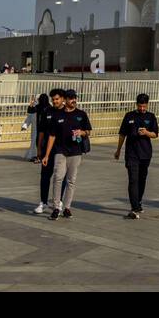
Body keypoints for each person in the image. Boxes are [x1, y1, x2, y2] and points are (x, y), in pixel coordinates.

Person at [45, 90, 92, 220]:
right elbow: (52, 136)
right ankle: (56, 207)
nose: (73, 100)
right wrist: (46, 155)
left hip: (76, 152)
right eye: (71, 98)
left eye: (74, 98)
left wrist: (82, 132)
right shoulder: (58, 115)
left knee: (71, 180)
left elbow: (88, 131)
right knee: (58, 177)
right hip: (61, 151)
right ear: (65, 100)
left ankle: (67, 207)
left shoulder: (81, 114)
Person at [115, 93, 159, 219]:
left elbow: (155, 134)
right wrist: (118, 150)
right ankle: (134, 208)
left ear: (147, 105)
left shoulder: (151, 117)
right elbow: (122, 134)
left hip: (145, 154)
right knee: (133, 179)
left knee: (142, 179)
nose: (142, 109)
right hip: (131, 154)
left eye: (144, 106)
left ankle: (138, 202)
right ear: (136, 104)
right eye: (140, 106)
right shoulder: (129, 116)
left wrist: (146, 132)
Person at [34, 89, 64, 214]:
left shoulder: (66, 112)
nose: (55, 101)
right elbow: (41, 131)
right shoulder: (47, 112)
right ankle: (43, 202)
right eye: (53, 99)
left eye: (57, 99)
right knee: (45, 176)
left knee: (61, 177)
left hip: (62, 150)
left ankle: (59, 201)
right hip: (48, 150)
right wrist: (39, 148)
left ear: (62, 99)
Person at [22, 94, 48, 161]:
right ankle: (34, 155)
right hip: (36, 129)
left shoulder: (48, 108)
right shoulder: (35, 108)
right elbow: (29, 117)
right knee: (34, 141)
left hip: (44, 129)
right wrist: (25, 126)